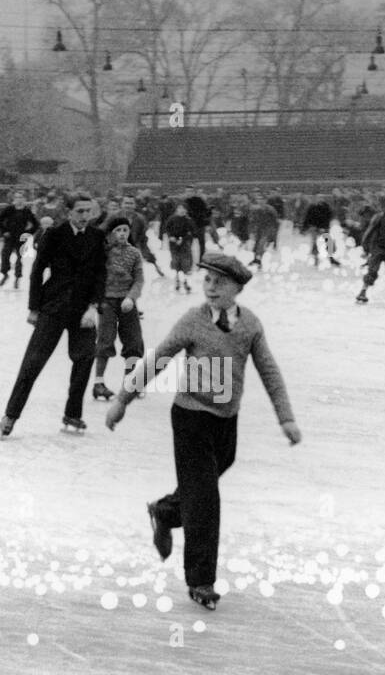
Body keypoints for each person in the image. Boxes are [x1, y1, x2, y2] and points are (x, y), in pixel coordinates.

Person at [104, 254, 301, 611]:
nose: (210, 288)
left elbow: (269, 370)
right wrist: (123, 398)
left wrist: (285, 417)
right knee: (206, 501)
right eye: (207, 281)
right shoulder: (193, 321)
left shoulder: (250, 326)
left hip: (226, 420)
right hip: (190, 416)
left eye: (219, 283)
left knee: (205, 484)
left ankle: (166, 511)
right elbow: (159, 358)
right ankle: (201, 580)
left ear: (237, 289)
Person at [0, 194, 105, 437]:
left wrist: (93, 306)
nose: (84, 216)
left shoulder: (97, 237)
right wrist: (34, 308)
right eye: (79, 211)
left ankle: (73, 414)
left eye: (88, 211)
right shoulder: (54, 236)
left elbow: (100, 274)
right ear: (68, 213)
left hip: (82, 309)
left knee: (85, 357)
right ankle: (11, 414)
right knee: (33, 362)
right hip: (53, 306)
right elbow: (37, 271)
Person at [92, 217, 145, 402]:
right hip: (107, 301)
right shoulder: (103, 253)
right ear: (111, 233)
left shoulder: (135, 253)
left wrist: (131, 297)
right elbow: (96, 275)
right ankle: (98, 383)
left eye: (125, 230)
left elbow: (139, 279)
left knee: (134, 341)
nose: (122, 234)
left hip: (127, 303)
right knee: (105, 339)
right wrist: (98, 299)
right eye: (118, 230)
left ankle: (129, 382)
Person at [0, 191, 39, 288]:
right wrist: (4, 231)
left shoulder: (26, 211)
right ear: (14, 199)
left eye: (21, 197)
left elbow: (35, 224)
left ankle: (17, 277)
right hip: (10, 236)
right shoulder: (9, 209)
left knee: (20, 259)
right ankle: (5, 273)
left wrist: (28, 233)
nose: (19, 199)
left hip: (21, 238)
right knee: (5, 255)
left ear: (24, 199)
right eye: (17, 197)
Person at [163, 203, 197, 293]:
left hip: (185, 245)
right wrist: (171, 237)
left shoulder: (189, 220)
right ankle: (177, 280)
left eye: (184, 208)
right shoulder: (172, 219)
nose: (182, 210)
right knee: (176, 262)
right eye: (180, 208)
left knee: (185, 263)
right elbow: (167, 229)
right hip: (174, 245)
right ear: (177, 209)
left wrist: (183, 239)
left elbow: (192, 232)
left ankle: (186, 281)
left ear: (186, 210)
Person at [301, 194, 339, 267]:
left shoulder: (326, 207)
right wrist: (305, 228)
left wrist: (325, 227)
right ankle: (316, 258)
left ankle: (331, 257)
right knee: (315, 243)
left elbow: (329, 217)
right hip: (314, 227)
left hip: (323, 227)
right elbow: (307, 218)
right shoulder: (312, 207)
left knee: (329, 242)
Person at [247, 192, 278, 269]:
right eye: (258, 199)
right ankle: (256, 259)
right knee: (256, 244)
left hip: (267, 229)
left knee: (261, 244)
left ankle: (258, 259)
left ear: (265, 200)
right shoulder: (255, 209)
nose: (260, 201)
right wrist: (251, 230)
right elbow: (252, 221)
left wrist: (274, 236)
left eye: (261, 199)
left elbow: (275, 222)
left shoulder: (270, 209)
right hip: (259, 229)